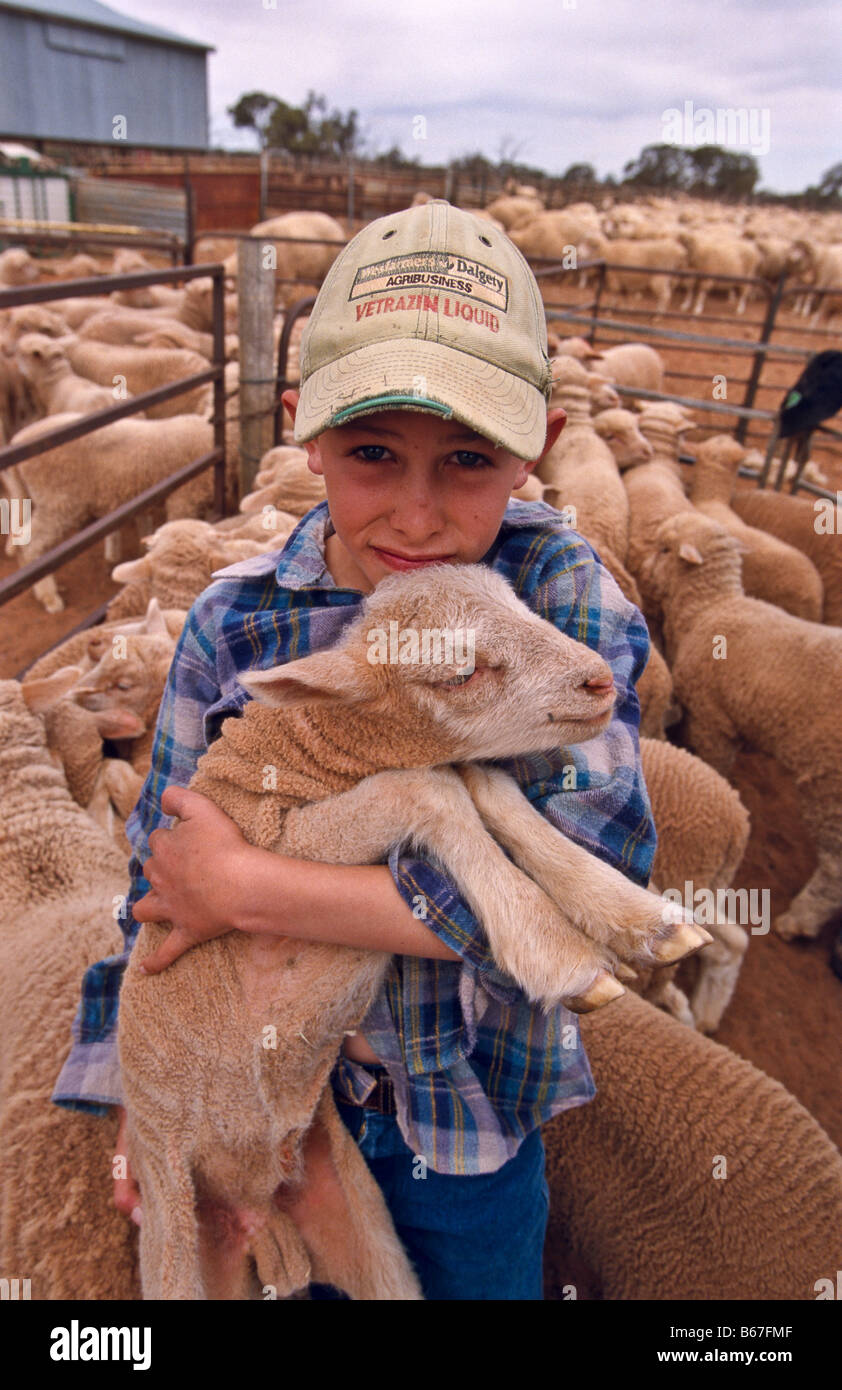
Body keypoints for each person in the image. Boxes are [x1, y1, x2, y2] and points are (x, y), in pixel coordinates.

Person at [52, 199, 657, 1301]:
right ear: (305, 429)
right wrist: (138, 1095)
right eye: (373, 452)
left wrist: (252, 891)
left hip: (469, 1120)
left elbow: (591, 878)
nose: (416, 513)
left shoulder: (568, 611)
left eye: (467, 459)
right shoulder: (233, 624)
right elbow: (155, 883)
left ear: (537, 452)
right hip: (271, 1102)